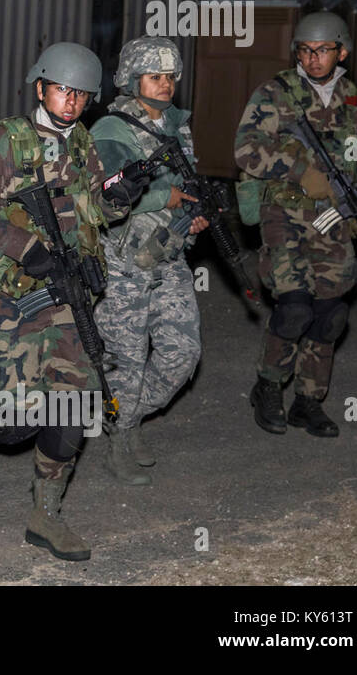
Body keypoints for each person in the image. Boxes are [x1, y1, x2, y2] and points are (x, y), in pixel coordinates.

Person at [0, 42, 146, 561]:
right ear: (41, 87)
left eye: (81, 94)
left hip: (70, 299)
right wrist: (22, 246)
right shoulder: (6, 141)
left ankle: (46, 515)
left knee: (74, 411)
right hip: (17, 303)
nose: (72, 102)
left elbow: (93, 210)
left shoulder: (81, 143)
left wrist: (119, 197)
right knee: (18, 419)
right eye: (62, 90)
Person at [234, 12, 357, 438]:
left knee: (330, 313)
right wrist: (298, 170)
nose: (313, 59)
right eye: (305, 50)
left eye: (322, 50)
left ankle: (307, 401)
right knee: (295, 306)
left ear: (342, 52)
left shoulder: (354, 99)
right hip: (284, 212)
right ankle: (268, 386)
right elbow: (245, 151)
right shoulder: (275, 93)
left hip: (333, 216)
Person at [90, 37, 208, 484]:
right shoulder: (113, 128)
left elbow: (186, 185)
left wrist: (189, 216)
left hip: (167, 256)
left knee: (183, 353)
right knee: (126, 358)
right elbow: (110, 193)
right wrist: (168, 196)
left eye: (170, 77)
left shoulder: (177, 125)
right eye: (155, 76)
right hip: (123, 263)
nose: (165, 85)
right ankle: (119, 438)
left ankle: (126, 418)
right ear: (131, 78)